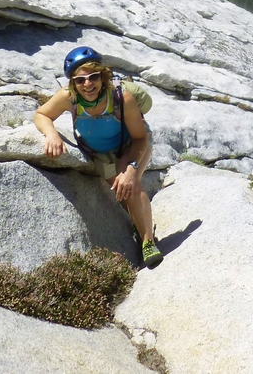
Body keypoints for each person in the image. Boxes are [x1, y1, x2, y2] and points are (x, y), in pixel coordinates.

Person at [34, 46, 163, 269]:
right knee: (120, 191)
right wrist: (51, 134)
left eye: (93, 77)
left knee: (130, 185)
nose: (88, 84)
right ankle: (139, 224)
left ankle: (147, 242)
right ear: (72, 82)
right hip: (101, 153)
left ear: (103, 77)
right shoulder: (69, 97)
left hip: (131, 145)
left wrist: (131, 168)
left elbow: (140, 139)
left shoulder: (123, 98)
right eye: (80, 80)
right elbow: (42, 114)